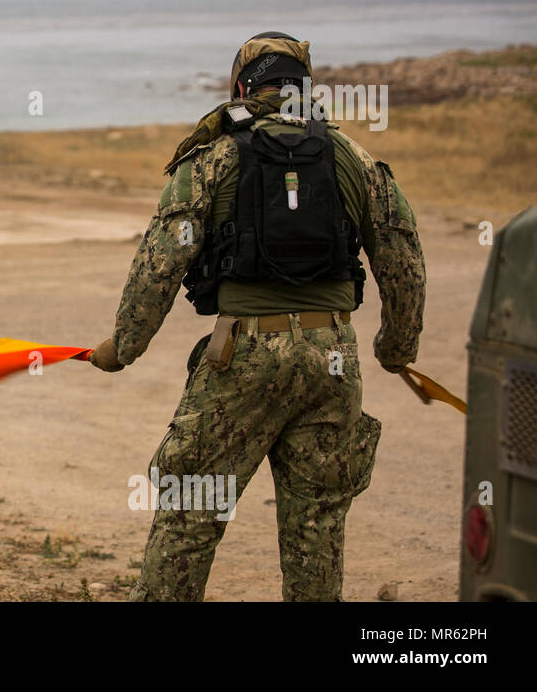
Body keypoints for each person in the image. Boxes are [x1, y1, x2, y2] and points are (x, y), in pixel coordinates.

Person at [90, 33, 426, 601]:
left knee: (190, 514)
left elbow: (158, 265)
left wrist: (123, 347)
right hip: (332, 360)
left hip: (240, 356)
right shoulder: (354, 159)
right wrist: (397, 349)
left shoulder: (212, 159)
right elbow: (404, 261)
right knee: (316, 525)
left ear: (243, 86)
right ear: (304, 87)